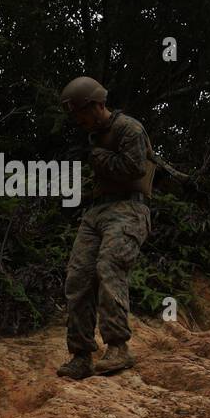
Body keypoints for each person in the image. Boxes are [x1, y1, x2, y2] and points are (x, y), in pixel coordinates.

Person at [55, 76, 154, 379]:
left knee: (109, 266)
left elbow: (135, 168)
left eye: (80, 112)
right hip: (98, 210)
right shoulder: (92, 136)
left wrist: (96, 157)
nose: (78, 120)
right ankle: (81, 355)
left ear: (97, 105)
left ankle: (118, 348)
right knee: (78, 276)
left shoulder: (129, 129)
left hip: (129, 208)